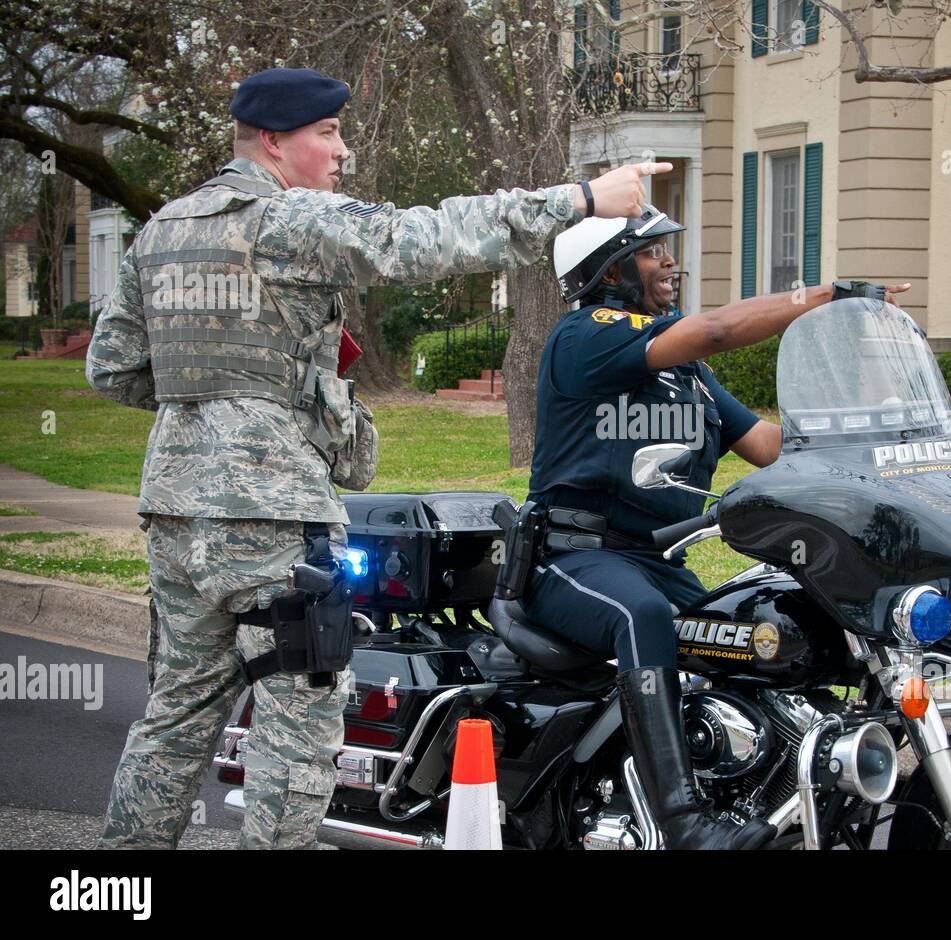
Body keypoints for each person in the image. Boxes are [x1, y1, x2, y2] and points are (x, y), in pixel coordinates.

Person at [88, 66, 668, 849]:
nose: (341, 150)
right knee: (295, 732)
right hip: (272, 517)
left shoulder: (162, 231)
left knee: (176, 717)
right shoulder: (287, 219)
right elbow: (417, 239)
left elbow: (114, 369)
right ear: (273, 142)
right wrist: (585, 200)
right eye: (325, 134)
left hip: (174, 514)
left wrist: (214, 399)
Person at [523, 206, 909, 849]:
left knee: (755, 631)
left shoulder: (687, 378)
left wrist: (873, 435)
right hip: (573, 558)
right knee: (640, 616)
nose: (669, 261)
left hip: (658, 559)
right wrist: (825, 296)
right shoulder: (584, 337)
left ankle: (778, 786)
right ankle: (681, 823)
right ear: (609, 272)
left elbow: (766, 444)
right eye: (651, 252)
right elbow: (718, 328)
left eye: (666, 249)